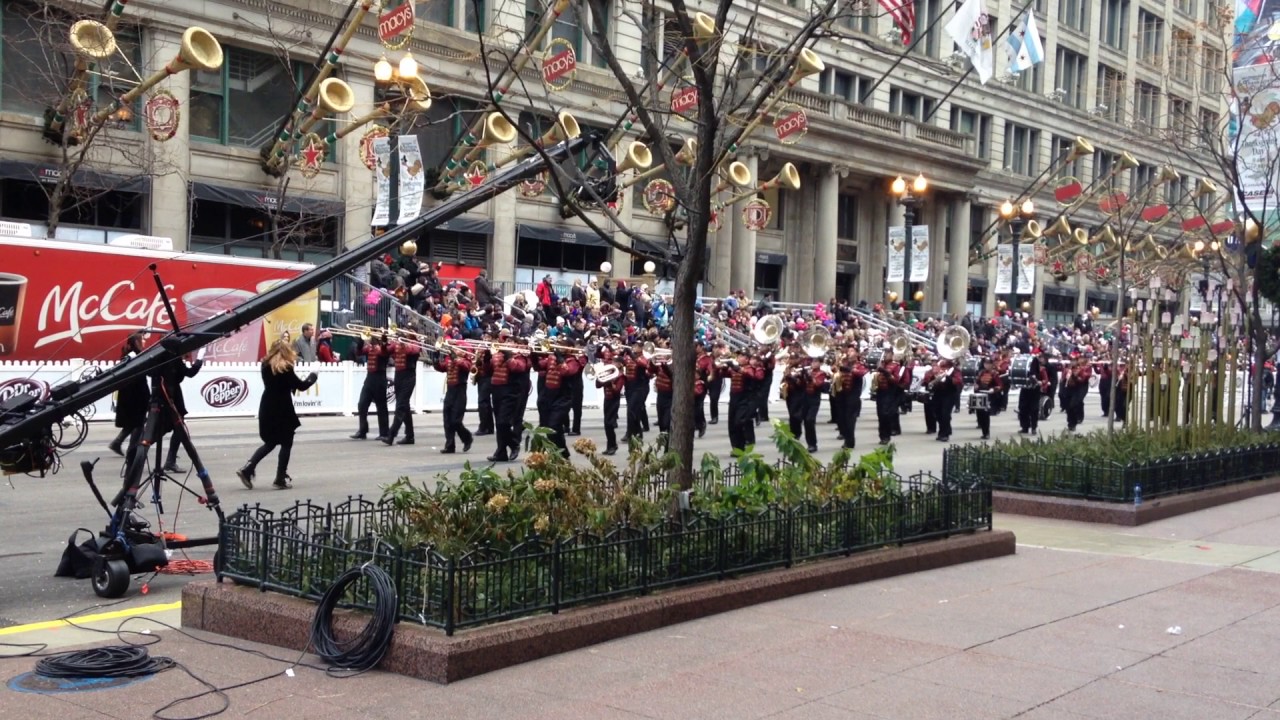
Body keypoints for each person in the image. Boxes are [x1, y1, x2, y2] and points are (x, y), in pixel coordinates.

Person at [236, 340, 317, 490]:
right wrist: (313, 376)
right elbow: (301, 386)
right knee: (286, 443)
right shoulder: (286, 367)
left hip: (267, 405)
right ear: (286, 351)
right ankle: (280, 477)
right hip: (283, 408)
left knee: (271, 442)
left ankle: (248, 468)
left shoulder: (265, 366)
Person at [158, 352, 203, 473]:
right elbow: (190, 373)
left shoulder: (164, 358)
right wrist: (199, 361)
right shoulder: (175, 360)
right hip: (171, 398)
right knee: (174, 428)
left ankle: (169, 460)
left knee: (169, 429)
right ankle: (170, 461)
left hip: (165, 396)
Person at [108, 332, 149, 459]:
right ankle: (133, 450)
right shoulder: (133, 356)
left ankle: (118, 442)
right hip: (134, 395)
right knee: (138, 422)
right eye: (142, 339)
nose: (144, 341)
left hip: (132, 394)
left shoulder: (129, 355)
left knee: (134, 422)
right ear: (137, 342)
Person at [350, 333, 390, 441]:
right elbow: (359, 353)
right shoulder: (369, 348)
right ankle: (363, 430)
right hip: (370, 378)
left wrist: (384, 342)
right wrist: (360, 342)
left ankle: (384, 432)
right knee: (362, 404)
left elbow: (384, 352)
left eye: (373, 338)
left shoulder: (382, 348)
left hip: (379, 378)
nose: (371, 339)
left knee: (381, 407)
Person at [434, 347, 474, 454]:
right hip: (450, 391)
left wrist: (455, 358)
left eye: (458, 349)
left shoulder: (467, 360)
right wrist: (436, 356)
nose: (455, 350)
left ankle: (467, 438)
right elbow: (440, 367)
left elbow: (466, 367)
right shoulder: (450, 360)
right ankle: (450, 445)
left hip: (460, 391)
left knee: (456, 420)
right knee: (447, 420)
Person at [382, 335, 421, 445]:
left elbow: (411, 351)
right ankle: (410, 436)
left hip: (409, 376)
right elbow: (385, 352)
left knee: (400, 407)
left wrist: (403, 342)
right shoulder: (397, 344)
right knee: (405, 407)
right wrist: (384, 343)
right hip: (398, 375)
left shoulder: (415, 345)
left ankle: (391, 435)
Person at [598, 357, 625, 455]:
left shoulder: (620, 376)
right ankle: (610, 446)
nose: (612, 364)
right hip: (607, 399)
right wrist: (600, 377)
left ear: (620, 364)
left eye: (615, 362)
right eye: (612, 362)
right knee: (606, 424)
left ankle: (613, 445)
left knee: (609, 424)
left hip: (614, 401)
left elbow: (617, 390)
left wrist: (610, 381)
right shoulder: (609, 373)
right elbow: (598, 385)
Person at [801, 355, 828, 452]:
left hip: (814, 399)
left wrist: (809, 377)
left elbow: (818, 384)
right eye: (812, 362)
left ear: (819, 363)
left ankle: (813, 444)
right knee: (805, 421)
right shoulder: (808, 372)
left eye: (816, 362)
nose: (813, 364)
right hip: (805, 398)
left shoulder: (821, 373)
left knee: (810, 420)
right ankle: (809, 443)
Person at [932, 358, 963, 442]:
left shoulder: (955, 370)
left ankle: (945, 434)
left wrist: (947, 378)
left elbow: (958, 381)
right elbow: (929, 376)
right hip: (938, 393)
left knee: (945, 414)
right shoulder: (938, 366)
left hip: (949, 393)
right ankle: (944, 430)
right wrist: (934, 376)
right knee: (937, 413)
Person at [973, 357, 1000, 440]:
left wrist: (994, 389)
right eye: (985, 363)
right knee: (979, 413)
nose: (987, 365)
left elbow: (999, 385)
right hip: (980, 394)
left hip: (989, 395)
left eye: (988, 364)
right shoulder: (981, 373)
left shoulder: (994, 374)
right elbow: (977, 382)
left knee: (985, 414)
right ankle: (983, 430)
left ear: (991, 365)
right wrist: (976, 386)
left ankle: (986, 433)